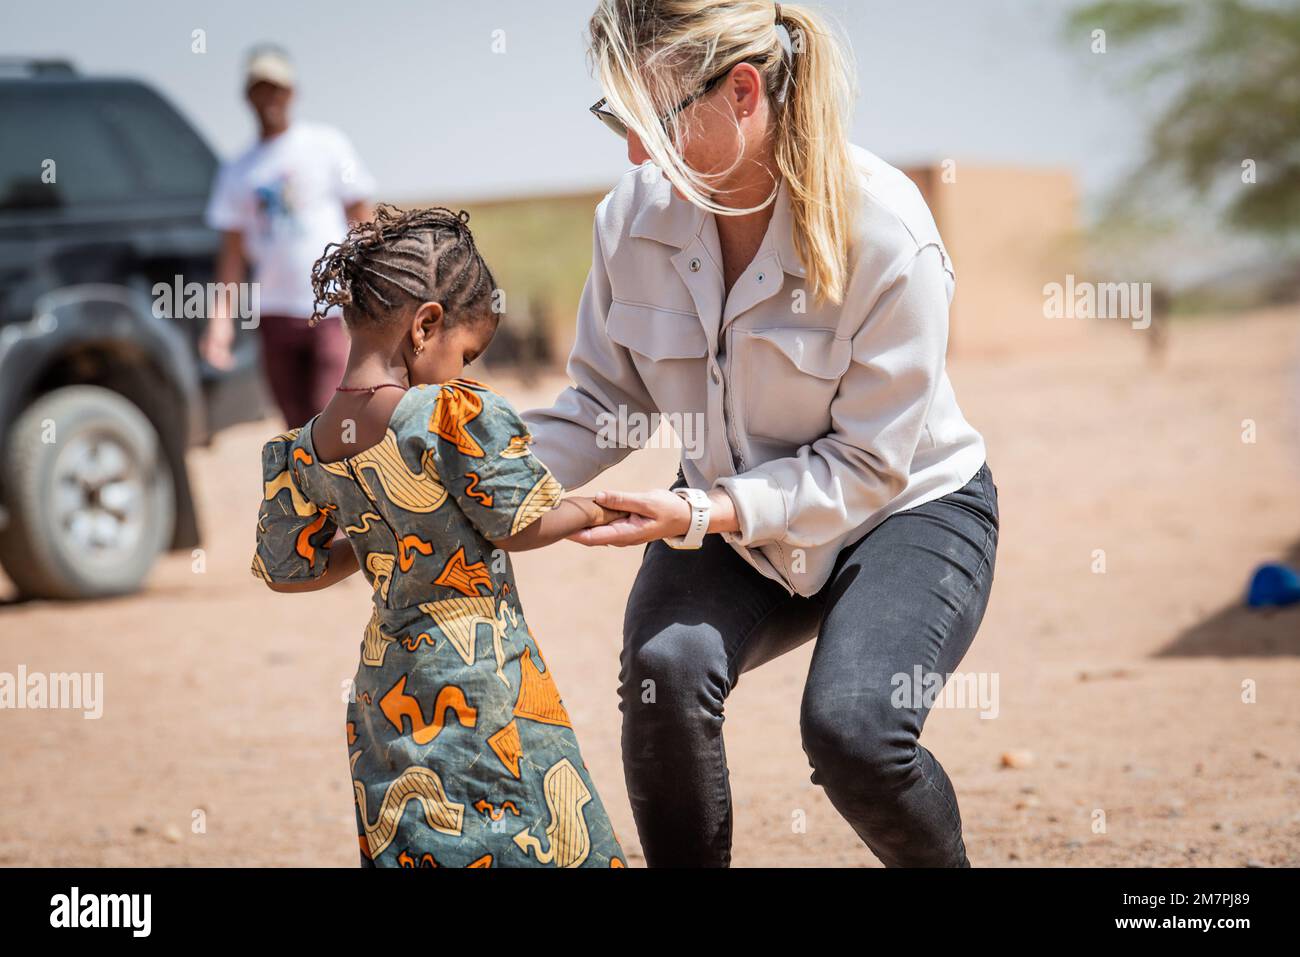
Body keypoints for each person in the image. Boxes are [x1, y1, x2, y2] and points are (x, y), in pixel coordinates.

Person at [522, 0, 999, 867]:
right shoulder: (628, 218)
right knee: (664, 673)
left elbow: (866, 465)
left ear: (742, 91)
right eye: (615, 120)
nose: (634, 153)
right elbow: (601, 401)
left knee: (854, 728)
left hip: (903, 510)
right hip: (718, 513)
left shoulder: (885, 232)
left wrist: (706, 513)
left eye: (649, 121)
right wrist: (470, 475)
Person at [251, 205, 626, 868]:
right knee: (527, 823)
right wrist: (596, 509)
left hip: (383, 683)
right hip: (481, 669)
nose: (464, 370)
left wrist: (378, 539)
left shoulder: (305, 448)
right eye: (466, 353)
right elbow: (520, 522)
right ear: (425, 324)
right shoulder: (446, 413)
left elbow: (288, 567)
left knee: (418, 833)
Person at [203, 44, 375, 428]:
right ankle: (309, 489)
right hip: (274, 312)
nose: (270, 99)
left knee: (329, 413)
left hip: (329, 308)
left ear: (293, 92)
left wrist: (374, 290)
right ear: (247, 96)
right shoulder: (237, 170)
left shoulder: (326, 145)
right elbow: (232, 253)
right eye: (260, 89)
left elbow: (362, 220)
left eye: (277, 89)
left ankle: (342, 485)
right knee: (295, 426)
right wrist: (220, 322)